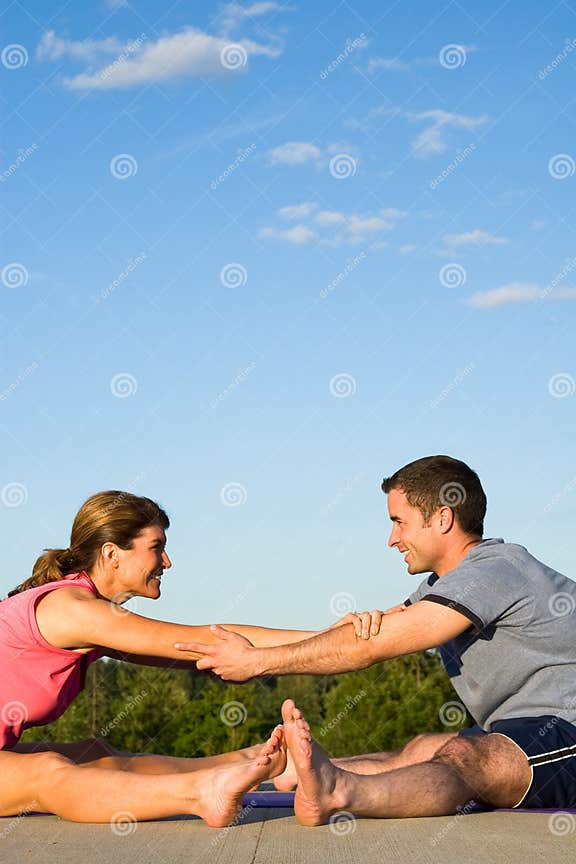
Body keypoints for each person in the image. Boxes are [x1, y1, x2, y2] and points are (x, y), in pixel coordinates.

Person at [180, 455, 576, 818]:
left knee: (466, 755)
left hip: (567, 729)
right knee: (422, 748)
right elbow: (339, 637)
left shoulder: (493, 572)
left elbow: (369, 646)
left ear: (442, 518)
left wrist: (257, 663)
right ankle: (291, 777)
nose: (392, 539)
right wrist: (234, 645)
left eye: (398, 522)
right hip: (525, 732)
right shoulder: (446, 585)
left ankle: (340, 791)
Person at [0, 489, 373, 825]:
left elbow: (208, 645)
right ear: (112, 553)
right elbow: (203, 640)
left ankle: (254, 764)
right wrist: (328, 639)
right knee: (45, 773)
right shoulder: (73, 609)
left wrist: (326, 637)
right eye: (156, 547)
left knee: (96, 755)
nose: (167, 561)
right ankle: (202, 793)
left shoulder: (83, 610)